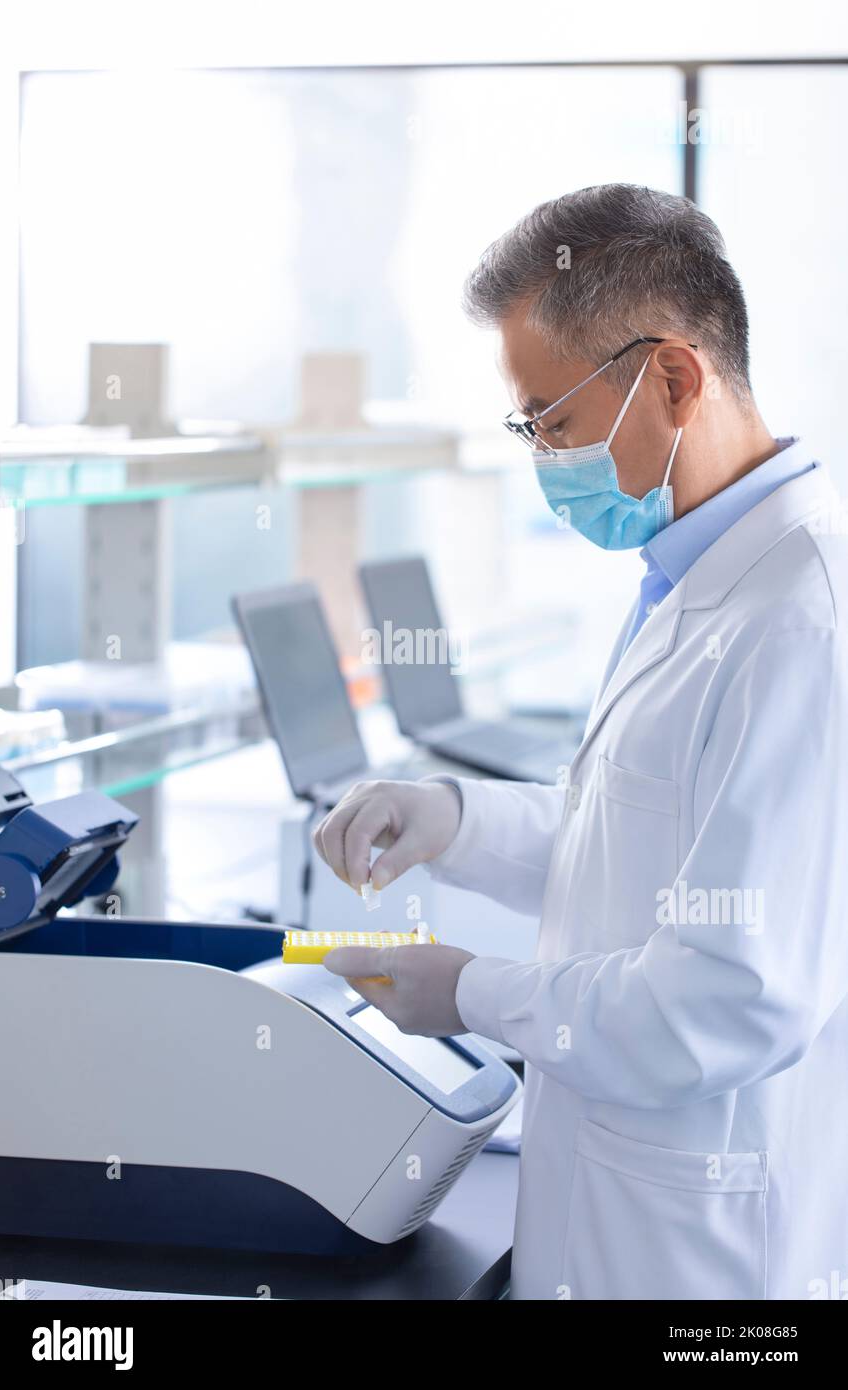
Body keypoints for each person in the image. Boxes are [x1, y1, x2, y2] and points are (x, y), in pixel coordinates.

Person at [313, 184, 848, 1301]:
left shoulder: (800, 619)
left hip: (699, 1269)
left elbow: (726, 997)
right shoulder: (686, 580)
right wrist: (449, 820)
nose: (544, 462)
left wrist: (473, 992)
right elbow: (640, 851)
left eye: (554, 423)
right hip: (608, 1230)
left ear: (672, 377)